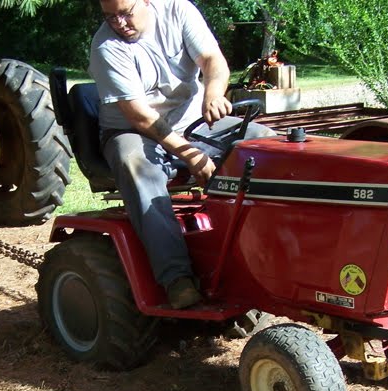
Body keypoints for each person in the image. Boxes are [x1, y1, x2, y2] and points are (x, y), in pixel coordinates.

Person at [89, 0, 272, 309]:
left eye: (125, 13)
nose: (119, 23)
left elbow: (212, 59)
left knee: (266, 145)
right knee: (136, 166)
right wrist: (192, 155)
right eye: (110, 17)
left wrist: (213, 93)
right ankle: (176, 277)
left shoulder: (178, 10)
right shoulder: (105, 46)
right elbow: (140, 116)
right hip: (132, 131)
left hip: (192, 123)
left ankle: (264, 252)